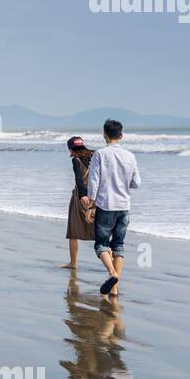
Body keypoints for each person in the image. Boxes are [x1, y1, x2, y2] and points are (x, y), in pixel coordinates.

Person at [83, 119, 141, 296]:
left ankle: (112, 273)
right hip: (124, 206)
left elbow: (94, 181)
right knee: (119, 246)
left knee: (101, 244)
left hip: (106, 205)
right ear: (121, 136)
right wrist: (122, 183)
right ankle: (115, 289)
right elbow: (136, 183)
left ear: (104, 134)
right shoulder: (130, 156)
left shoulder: (100, 154)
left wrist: (90, 205)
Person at [62, 136, 96, 269]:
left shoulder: (76, 160)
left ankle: (73, 263)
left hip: (80, 197)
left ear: (71, 148)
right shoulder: (95, 155)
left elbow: (79, 179)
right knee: (99, 230)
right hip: (96, 196)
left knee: (73, 231)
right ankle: (110, 260)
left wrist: (82, 195)